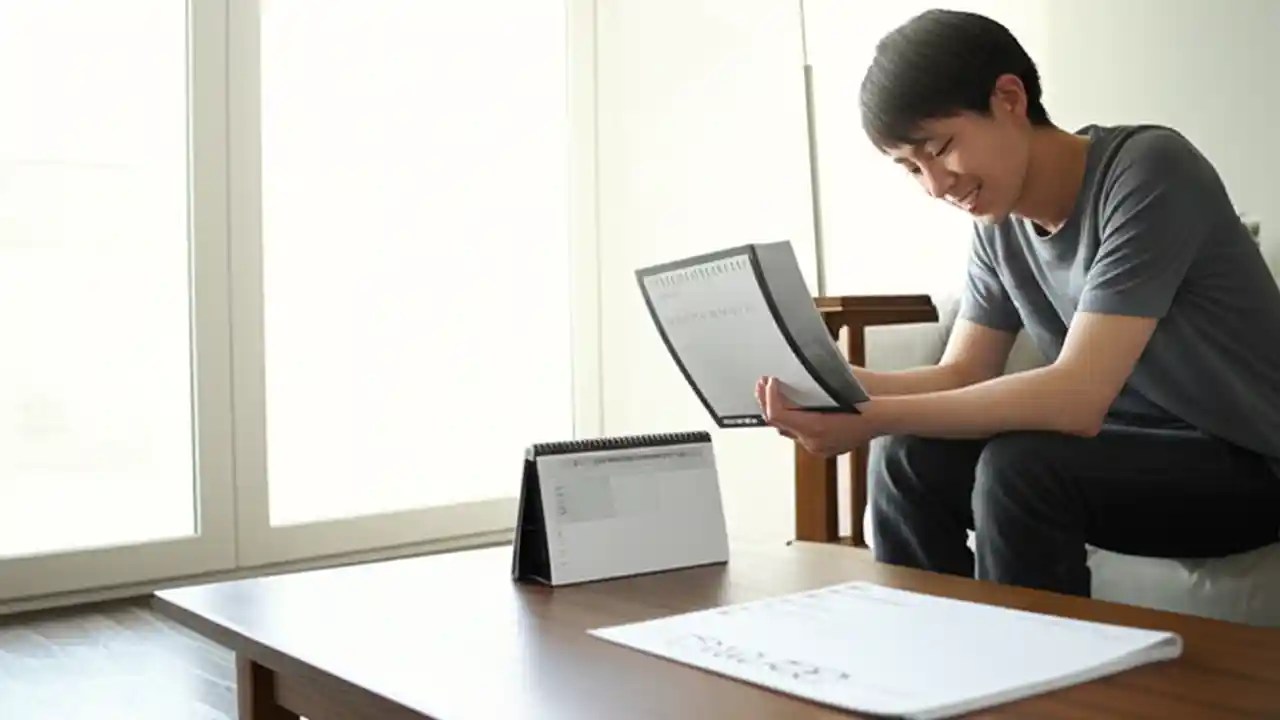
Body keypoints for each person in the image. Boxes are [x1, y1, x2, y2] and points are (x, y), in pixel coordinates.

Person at [755, 9, 1280, 597]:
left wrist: (872, 415)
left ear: (1009, 98)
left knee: (1022, 468)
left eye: (941, 148)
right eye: (911, 167)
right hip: (1121, 453)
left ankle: (1044, 683)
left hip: (1247, 463)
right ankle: (924, 670)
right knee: (907, 457)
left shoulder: (1149, 172)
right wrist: (844, 389)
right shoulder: (998, 225)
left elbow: (1076, 397)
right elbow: (963, 372)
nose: (935, 185)